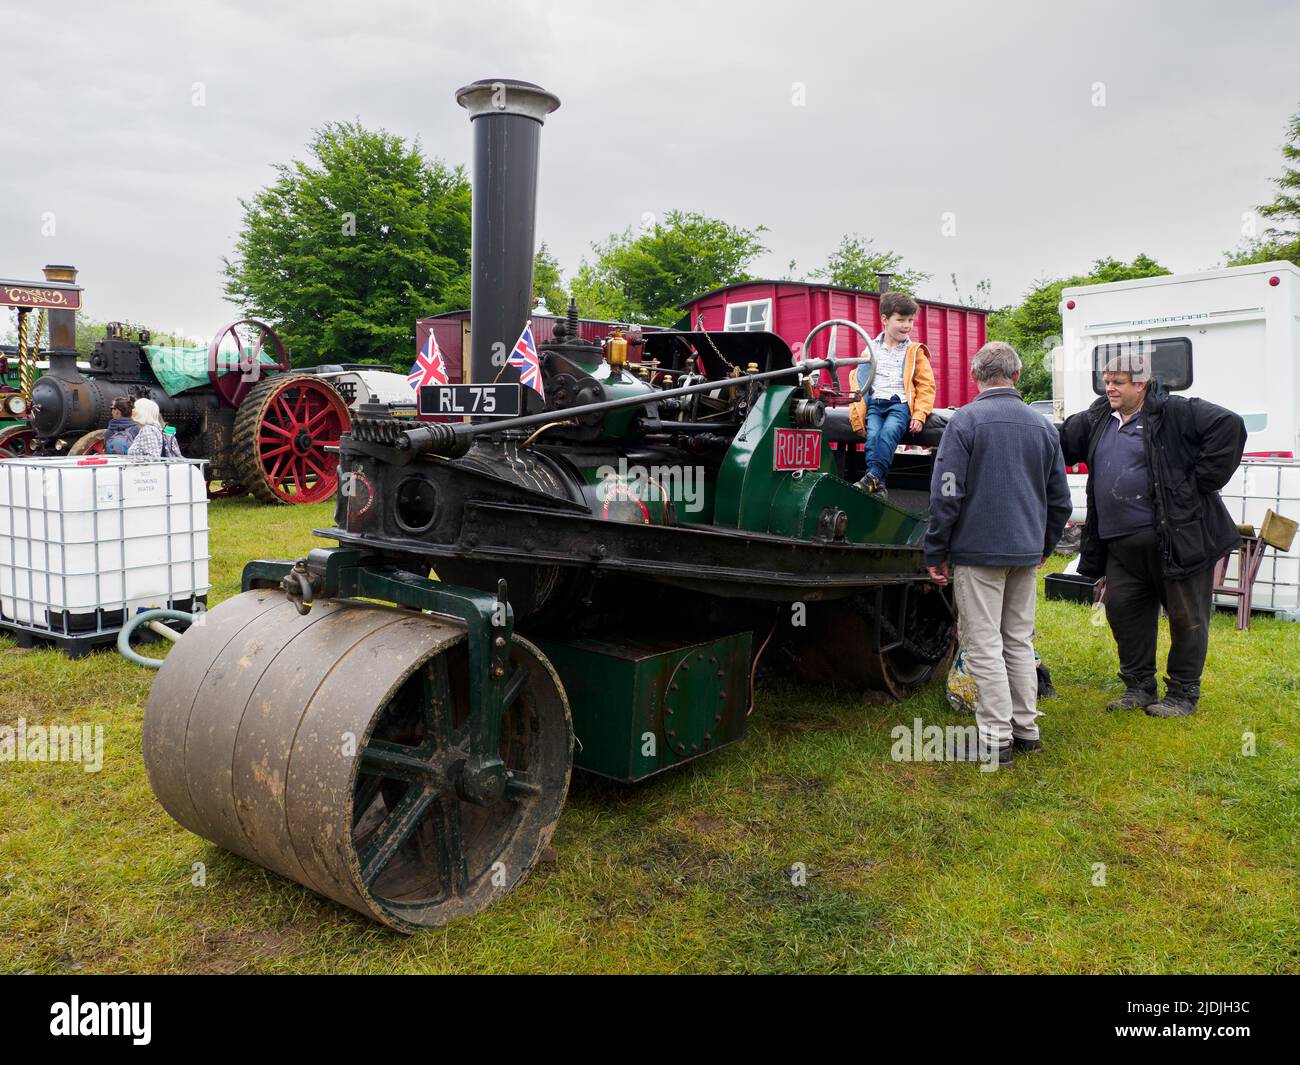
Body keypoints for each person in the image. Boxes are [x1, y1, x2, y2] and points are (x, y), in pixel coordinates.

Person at [1059, 352, 1246, 717]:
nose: (1109, 387)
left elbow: (1230, 425)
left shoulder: (1174, 412)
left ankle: (1182, 694)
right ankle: (1139, 687)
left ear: (1141, 384)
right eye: (1107, 381)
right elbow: (1059, 439)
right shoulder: (1099, 417)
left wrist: (1198, 483)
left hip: (1177, 540)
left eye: (1118, 382)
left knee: (1185, 616)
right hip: (1121, 547)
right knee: (1123, 612)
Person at [925, 342, 1071, 767]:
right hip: (1025, 550)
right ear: (1017, 376)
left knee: (983, 643)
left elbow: (947, 491)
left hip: (977, 551)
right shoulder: (1043, 427)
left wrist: (936, 547)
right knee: (1018, 641)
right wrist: (1043, 545)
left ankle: (995, 740)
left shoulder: (965, 421)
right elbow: (1060, 499)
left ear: (976, 376)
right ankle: (1027, 729)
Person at [848, 291, 936, 498]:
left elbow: (926, 385)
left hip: (899, 405)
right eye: (901, 320)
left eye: (910, 320)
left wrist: (919, 415)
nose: (907, 325)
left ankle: (871, 477)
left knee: (888, 434)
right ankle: (879, 486)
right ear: (885, 320)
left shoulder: (915, 351)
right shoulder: (870, 349)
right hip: (875, 405)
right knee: (872, 439)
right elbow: (859, 381)